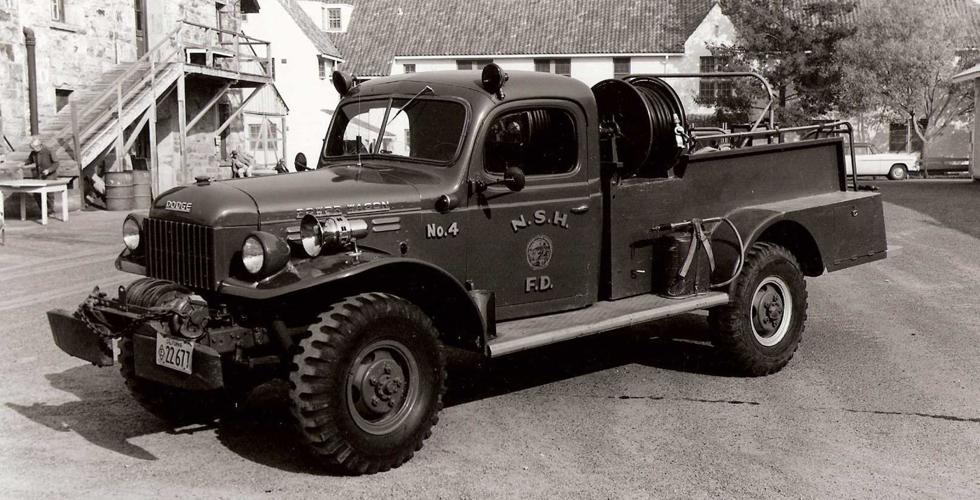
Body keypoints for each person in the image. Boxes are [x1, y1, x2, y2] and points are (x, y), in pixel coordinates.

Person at [24, 137, 58, 213]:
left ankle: (50, 211)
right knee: (36, 193)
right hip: (39, 176)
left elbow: (56, 163)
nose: (34, 150)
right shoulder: (33, 152)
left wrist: (49, 170)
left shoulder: (49, 151)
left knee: (49, 194)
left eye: (35, 148)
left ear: (40, 145)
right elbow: (28, 161)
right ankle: (44, 211)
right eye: (32, 148)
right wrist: (22, 165)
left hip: (50, 176)